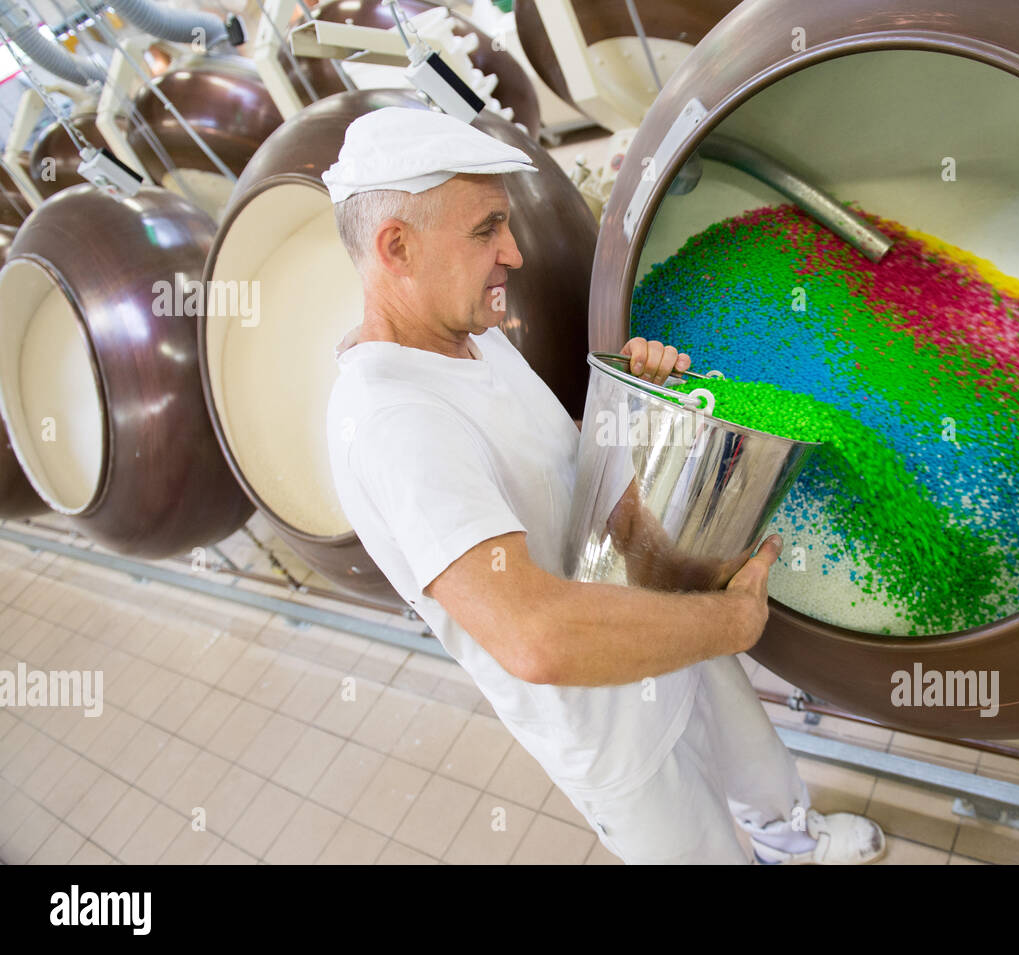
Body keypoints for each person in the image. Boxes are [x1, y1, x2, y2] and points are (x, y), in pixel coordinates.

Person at [323, 105, 885, 864]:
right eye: (487, 228)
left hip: (655, 614)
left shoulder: (472, 342)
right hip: (604, 718)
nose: (513, 253)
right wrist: (731, 624)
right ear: (397, 246)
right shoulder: (397, 425)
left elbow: (570, 477)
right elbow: (535, 634)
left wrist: (646, 407)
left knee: (756, 761)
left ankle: (795, 842)